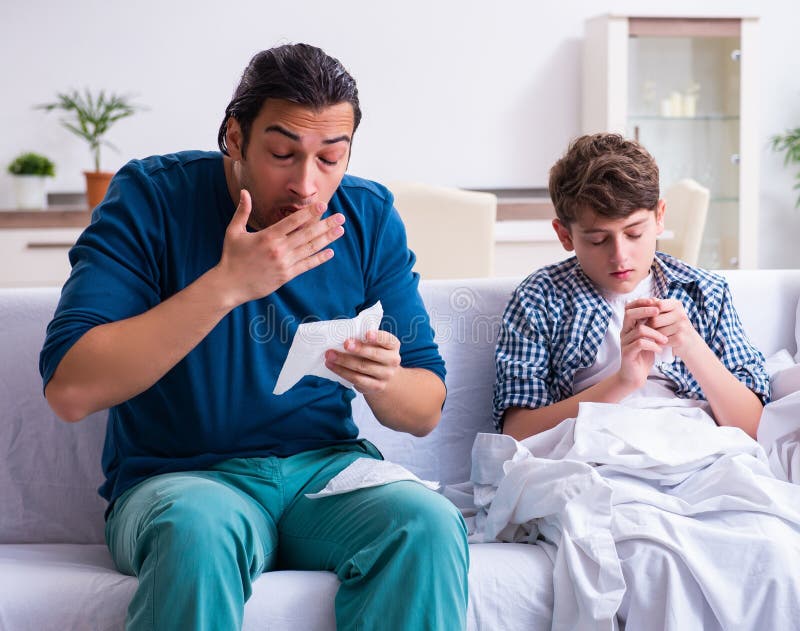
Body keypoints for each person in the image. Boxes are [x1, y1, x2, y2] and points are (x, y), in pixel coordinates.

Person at [40, 43, 468, 630]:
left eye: (330, 159)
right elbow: (70, 388)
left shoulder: (367, 215)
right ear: (234, 138)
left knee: (427, 523)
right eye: (282, 154)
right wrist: (227, 285)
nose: (307, 185)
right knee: (196, 528)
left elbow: (425, 409)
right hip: (183, 481)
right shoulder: (151, 197)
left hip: (325, 475)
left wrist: (385, 380)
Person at [494, 132, 769, 439]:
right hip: (590, 459)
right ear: (565, 236)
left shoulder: (704, 292)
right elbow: (516, 434)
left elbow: (755, 428)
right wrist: (622, 382)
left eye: (634, 234)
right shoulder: (540, 299)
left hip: (695, 452)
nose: (619, 256)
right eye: (598, 240)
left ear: (659, 217)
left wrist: (690, 345)